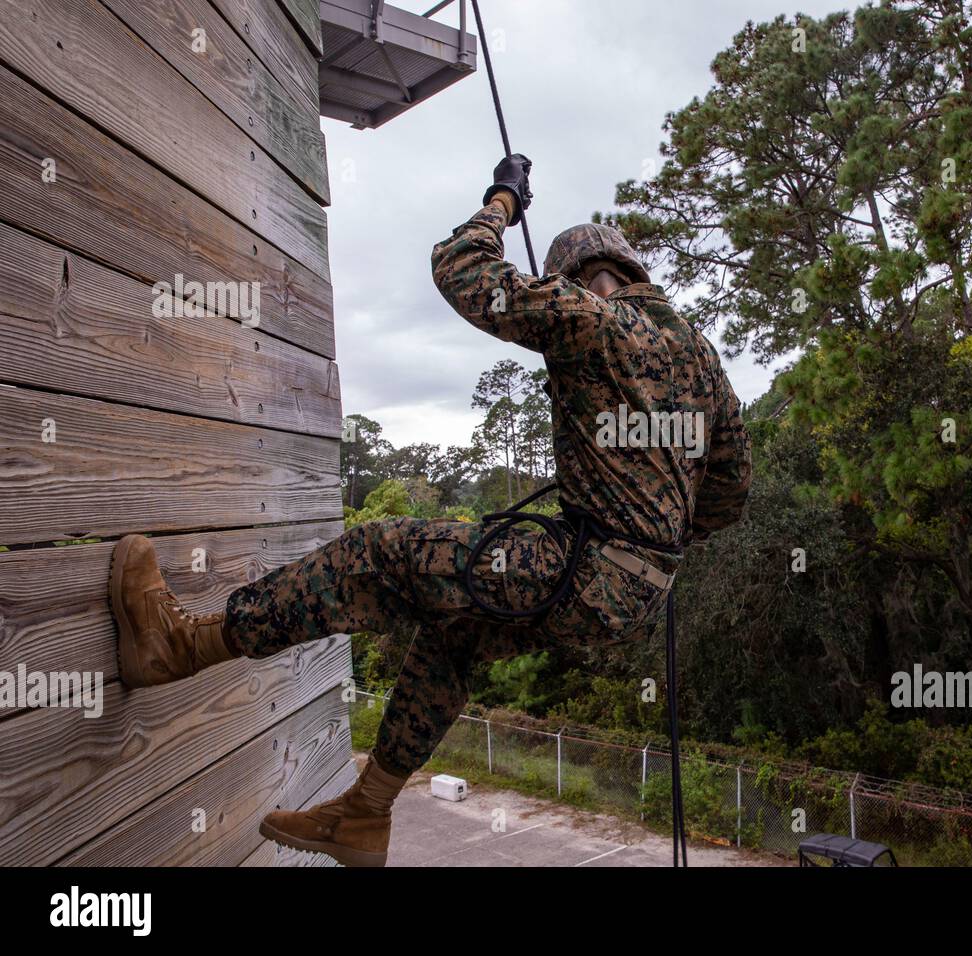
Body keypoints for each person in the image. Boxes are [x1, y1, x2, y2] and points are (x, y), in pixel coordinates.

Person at [108, 154, 752, 866]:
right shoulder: (705, 361)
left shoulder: (590, 319)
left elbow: (461, 268)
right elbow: (727, 497)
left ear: (583, 281)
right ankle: (364, 814)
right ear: (635, 271)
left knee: (378, 553)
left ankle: (182, 646)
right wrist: (645, 515)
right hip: (636, 595)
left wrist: (503, 198)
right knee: (455, 634)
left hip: (584, 568)